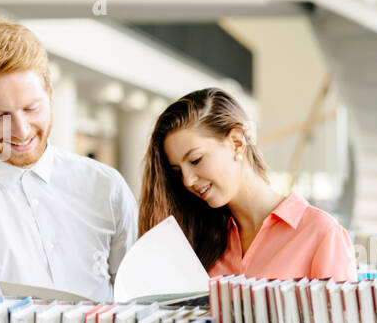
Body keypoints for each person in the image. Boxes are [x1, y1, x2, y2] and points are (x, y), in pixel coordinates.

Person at [0, 21, 137, 309]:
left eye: (32, 108)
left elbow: (134, 300)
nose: (21, 130)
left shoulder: (107, 187)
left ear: (50, 93)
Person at [139, 88, 356, 282]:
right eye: (178, 171)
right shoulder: (199, 237)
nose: (188, 180)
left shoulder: (322, 234)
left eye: (196, 160)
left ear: (237, 143)